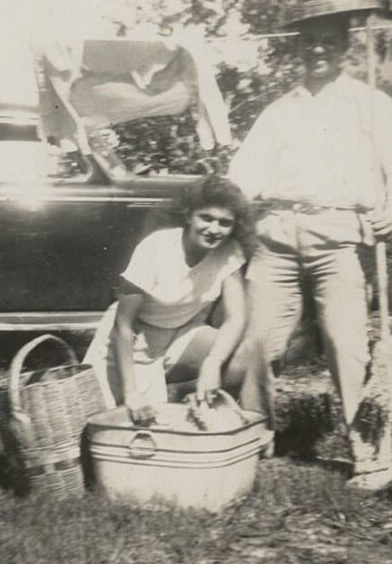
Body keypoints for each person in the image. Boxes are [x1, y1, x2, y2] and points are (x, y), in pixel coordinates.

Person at [228, 0, 392, 491]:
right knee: (255, 342)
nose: (318, 50)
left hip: (337, 236)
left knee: (346, 345)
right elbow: (243, 177)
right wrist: (228, 212)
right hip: (274, 236)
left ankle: (370, 457)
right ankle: (253, 441)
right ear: (300, 49)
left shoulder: (371, 104)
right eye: (310, 43)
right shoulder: (279, 110)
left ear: (344, 48)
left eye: (328, 43)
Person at [84, 175, 265, 426]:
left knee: (247, 354)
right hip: (133, 341)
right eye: (207, 218)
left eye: (225, 223)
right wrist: (131, 392)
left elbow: (236, 318)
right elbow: (123, 326)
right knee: (121, 422)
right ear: (190, 215)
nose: (214, 229)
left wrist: (213, 364)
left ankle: (200, 404)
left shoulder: (228, 251)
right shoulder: (156, 248)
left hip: (181, 335)